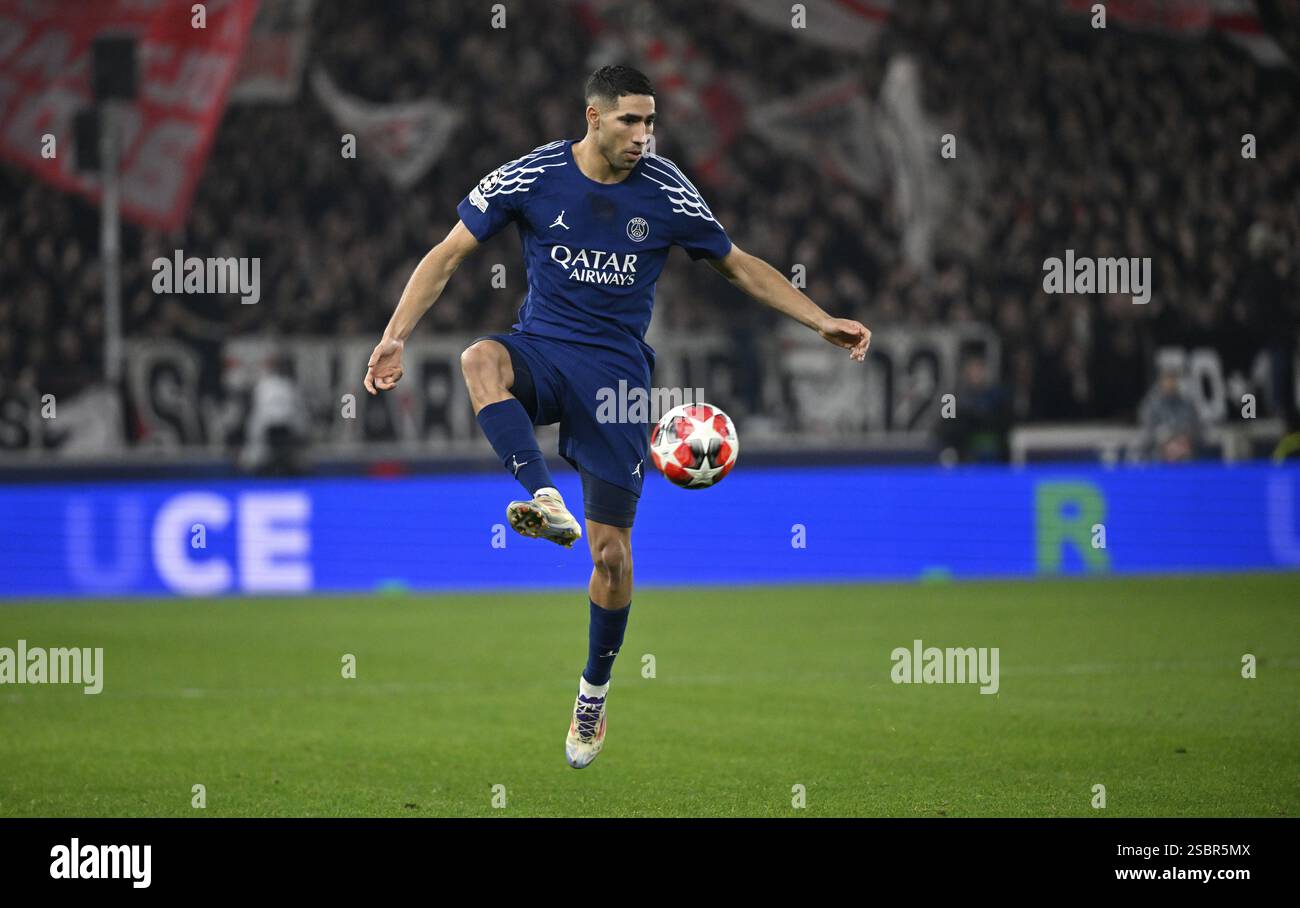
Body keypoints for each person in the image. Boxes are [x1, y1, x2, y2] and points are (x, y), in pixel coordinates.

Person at [363, 65, 870, 768]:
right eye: (630, 120)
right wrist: (395, 334)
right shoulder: (531, 177)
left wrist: (820, 321)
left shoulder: (665, 190)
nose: (644, 135)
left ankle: (593, 692)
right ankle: (543, 496)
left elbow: (739, 264)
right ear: (593, 117)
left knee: (611, 557)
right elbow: (447, 255)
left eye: (650, 122)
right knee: (480, 359)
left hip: (617, 388)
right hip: (541, 351)